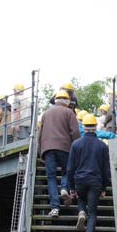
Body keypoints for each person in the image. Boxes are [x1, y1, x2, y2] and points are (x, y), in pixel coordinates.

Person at [66, 114, 110, 232]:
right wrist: (104, 187)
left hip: (80, 179)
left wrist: (71, 187)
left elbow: (70, 168)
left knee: (80, 198)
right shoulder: (102, 146)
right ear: (96, 127)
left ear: (83, 127)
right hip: (95, 181)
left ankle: (80, 212)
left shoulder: (76, 144)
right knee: (93, 211)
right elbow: (105, 169)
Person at [38, 90, 80, 219]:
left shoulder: (45, 114)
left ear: (55, 100)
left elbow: (39, 134)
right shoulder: (69, 112)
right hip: (65, 148)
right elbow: (75, 133)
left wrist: (41, 152)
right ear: (67, 101)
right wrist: (78, 149)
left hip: (48, 149)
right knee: (67, 171)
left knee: (51, 178)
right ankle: (64, 188)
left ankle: (55, 208)